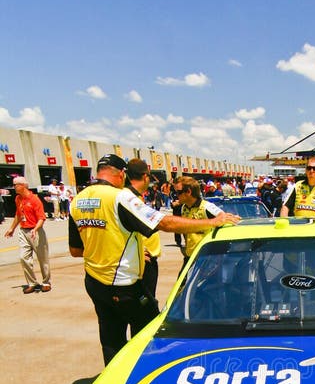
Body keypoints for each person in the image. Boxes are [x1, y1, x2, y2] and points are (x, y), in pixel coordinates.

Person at [69, 154, 239, 365]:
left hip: (94, 282)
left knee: (111, 336)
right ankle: (146, 372)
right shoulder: (120, 197)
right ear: (121, 174)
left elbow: (76, 250)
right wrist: (213, 223)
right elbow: (164, 223)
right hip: (124, 284)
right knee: (150, 331)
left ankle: (115, 376)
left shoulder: (78, 200)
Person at [4, 176, 52, 293]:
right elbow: (18, 215)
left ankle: (46, 282)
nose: (14, 187)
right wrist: (12, 228)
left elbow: (41, 218)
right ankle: (32, 283)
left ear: (23, 186)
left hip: (35, 231)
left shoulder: (34, 200)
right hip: (23, 231)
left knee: (42, 258)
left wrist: (35, 229)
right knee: (23, 257)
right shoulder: (18, 199)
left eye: (15, 185)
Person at [173, 175, 226, 272]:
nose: (176, 195)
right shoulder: (184, 208)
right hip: (190, 257)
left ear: (188, 192)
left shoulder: (207, 207)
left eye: (178, 192)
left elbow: (224, 219)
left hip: (207, 259)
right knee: (182, 281)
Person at [126, 158, 161, 298]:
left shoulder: (134, 196)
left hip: (145, 257)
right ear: (145, 176)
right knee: (147, 302)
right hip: (142, 261)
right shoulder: (129, 198)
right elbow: (164, 223)